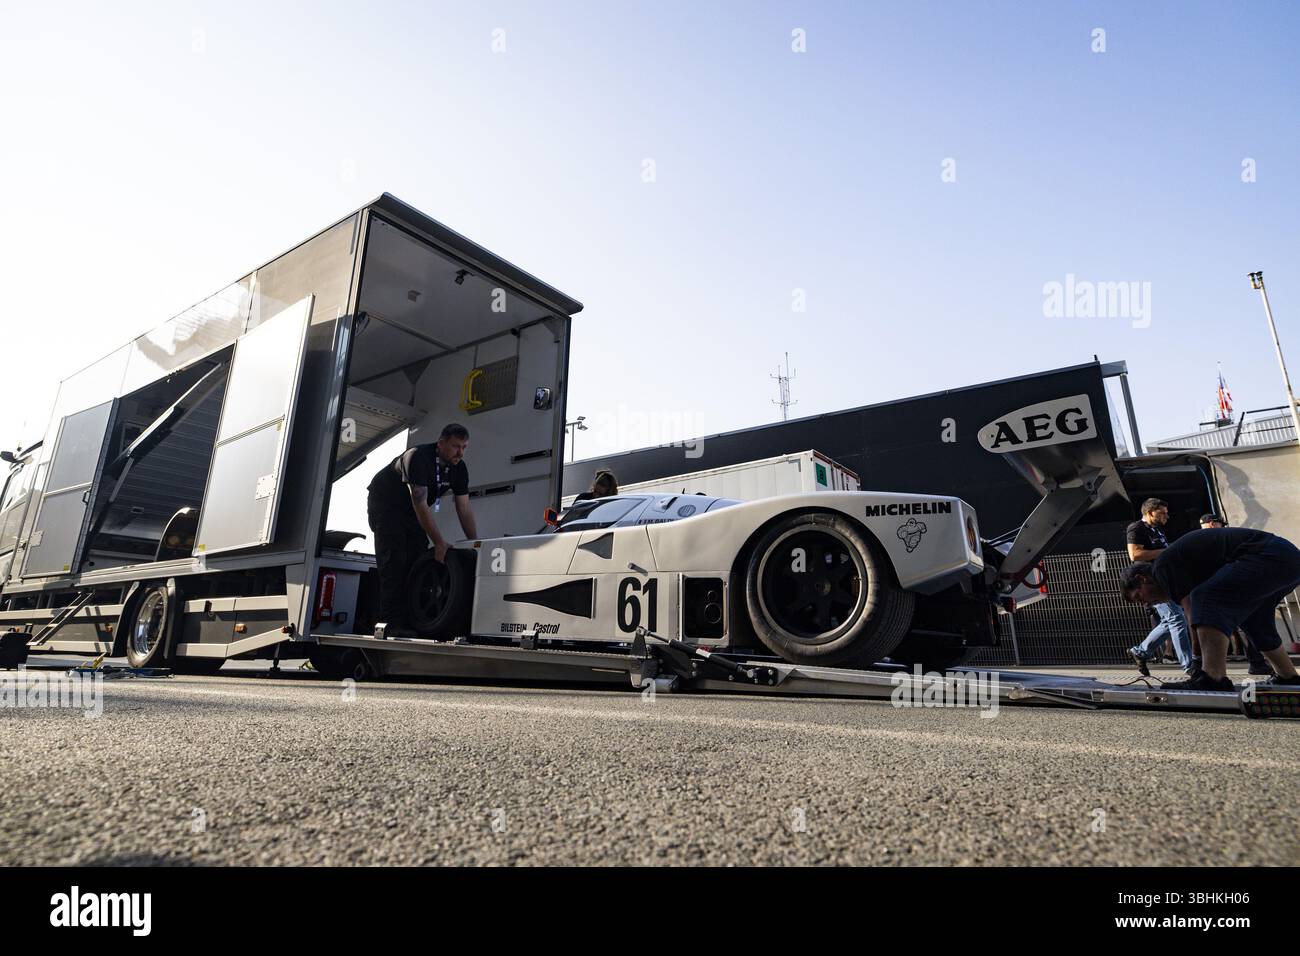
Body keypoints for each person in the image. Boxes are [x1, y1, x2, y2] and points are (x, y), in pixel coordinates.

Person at [1119, 526, 1300, 691]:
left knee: (1204, 597)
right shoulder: (1174, 566)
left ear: (1142, 578)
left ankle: (1213, 677)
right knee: (1254, 620)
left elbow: (1193, 615)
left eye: (1139, 597)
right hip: (1288, 559)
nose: (1146, 604)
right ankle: (1287, 676)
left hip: (1266, 555)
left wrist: (1197, 665)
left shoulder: (1162, 569)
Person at [366, 423, 478, 637]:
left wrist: (476, 544)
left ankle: (413, 620)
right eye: (456, 446)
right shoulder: (417, 457)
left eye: (464, 447)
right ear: (441, 443)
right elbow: (420, 503)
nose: (460, 452)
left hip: (411, 512)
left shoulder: (459, 468)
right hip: (387, 505)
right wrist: (439, 542)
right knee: (394, 560)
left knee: (417, 559)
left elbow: (463, 507)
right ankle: (390, 623)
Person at [1124, 498, 1193, 675]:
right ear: (1149, 513)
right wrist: (1168, 552)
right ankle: (1189, 666)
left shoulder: (1156, 530)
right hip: (1152, 583)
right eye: (1162, 513)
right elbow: (1135, 554)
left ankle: (1140, 651)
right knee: (1177, 619)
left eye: (1166, 512)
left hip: (1163, 580)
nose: (1166, 516)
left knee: (1171, 620)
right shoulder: (1137, 528)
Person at [1199, 513, 1271, 675]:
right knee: (1248, 623)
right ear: (1212, 524)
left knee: (1235, 625)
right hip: (1229, 587)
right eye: (1220, 524)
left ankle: (1214, 669)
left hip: (1219, 588)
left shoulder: (1202, 540)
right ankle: (1254, 663)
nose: (1223, 527)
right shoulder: (1217, 538)